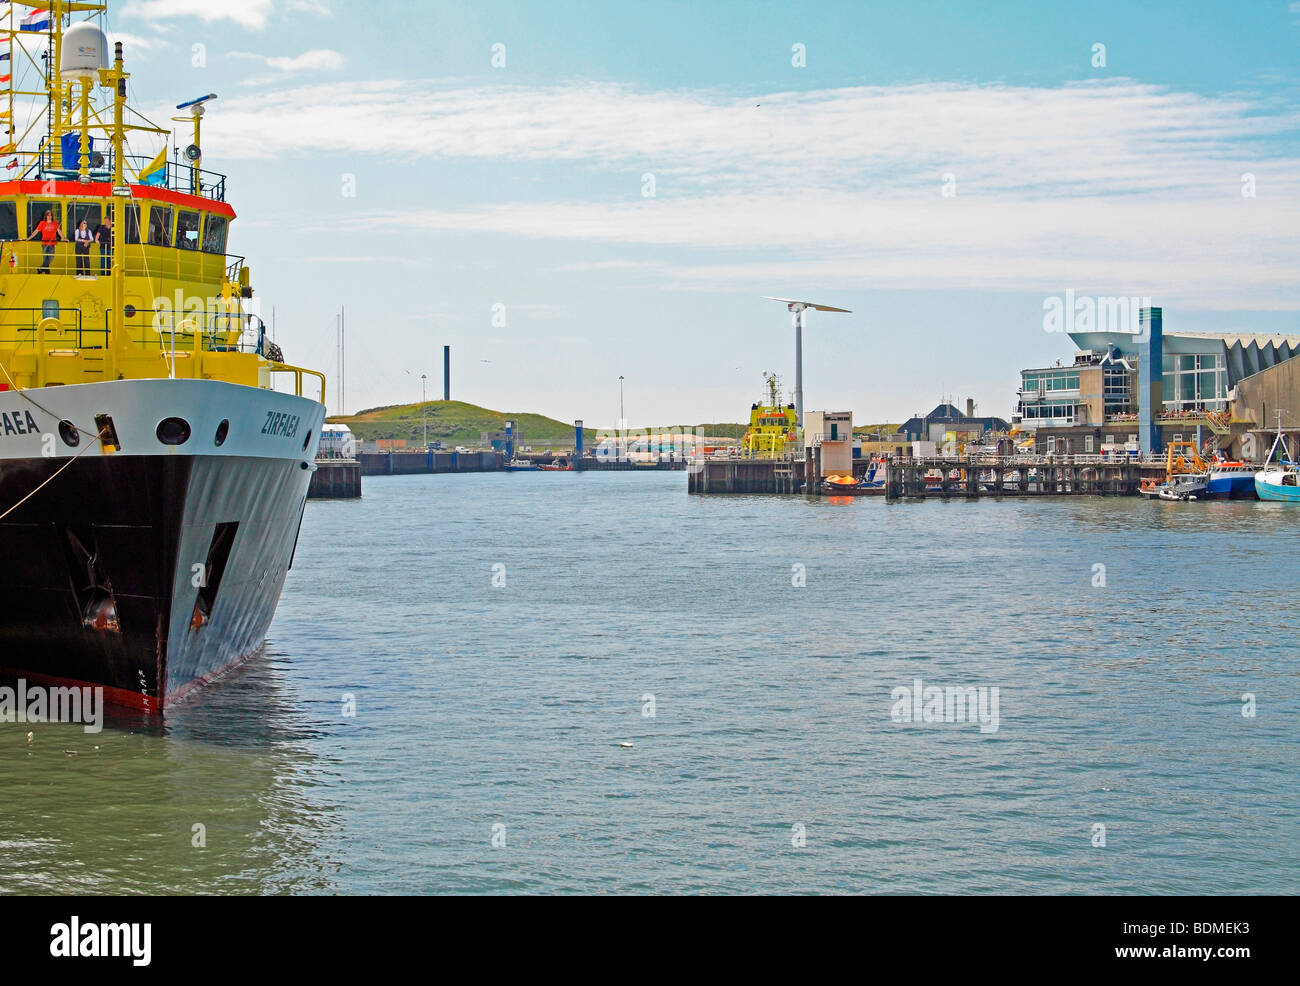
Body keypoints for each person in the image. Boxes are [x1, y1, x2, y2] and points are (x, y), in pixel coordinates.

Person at [27, 209, 63, 273]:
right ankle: (46, 270)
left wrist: (63, 237)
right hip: (45, 243)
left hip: (52, 243)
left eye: (50, 215)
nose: (49, 217)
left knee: (51, 257)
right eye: (48, 215)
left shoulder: (54, 223)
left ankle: (41, 269)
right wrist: (29, 238)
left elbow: (59, 231)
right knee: (45, 257)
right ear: (45, 216)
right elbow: (36, 231)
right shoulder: (42, 223)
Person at [94, 211, 112, 275]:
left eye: (106, 221)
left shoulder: (113, 227)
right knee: (103, 260)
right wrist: (96, 239)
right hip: (103, 246)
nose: (105, 222)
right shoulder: (101, 227)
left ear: (110, 221)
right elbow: (98, 233)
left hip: (110, 246)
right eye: (105, 221)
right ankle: (103, 273)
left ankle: (109, 273)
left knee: (109, 260)